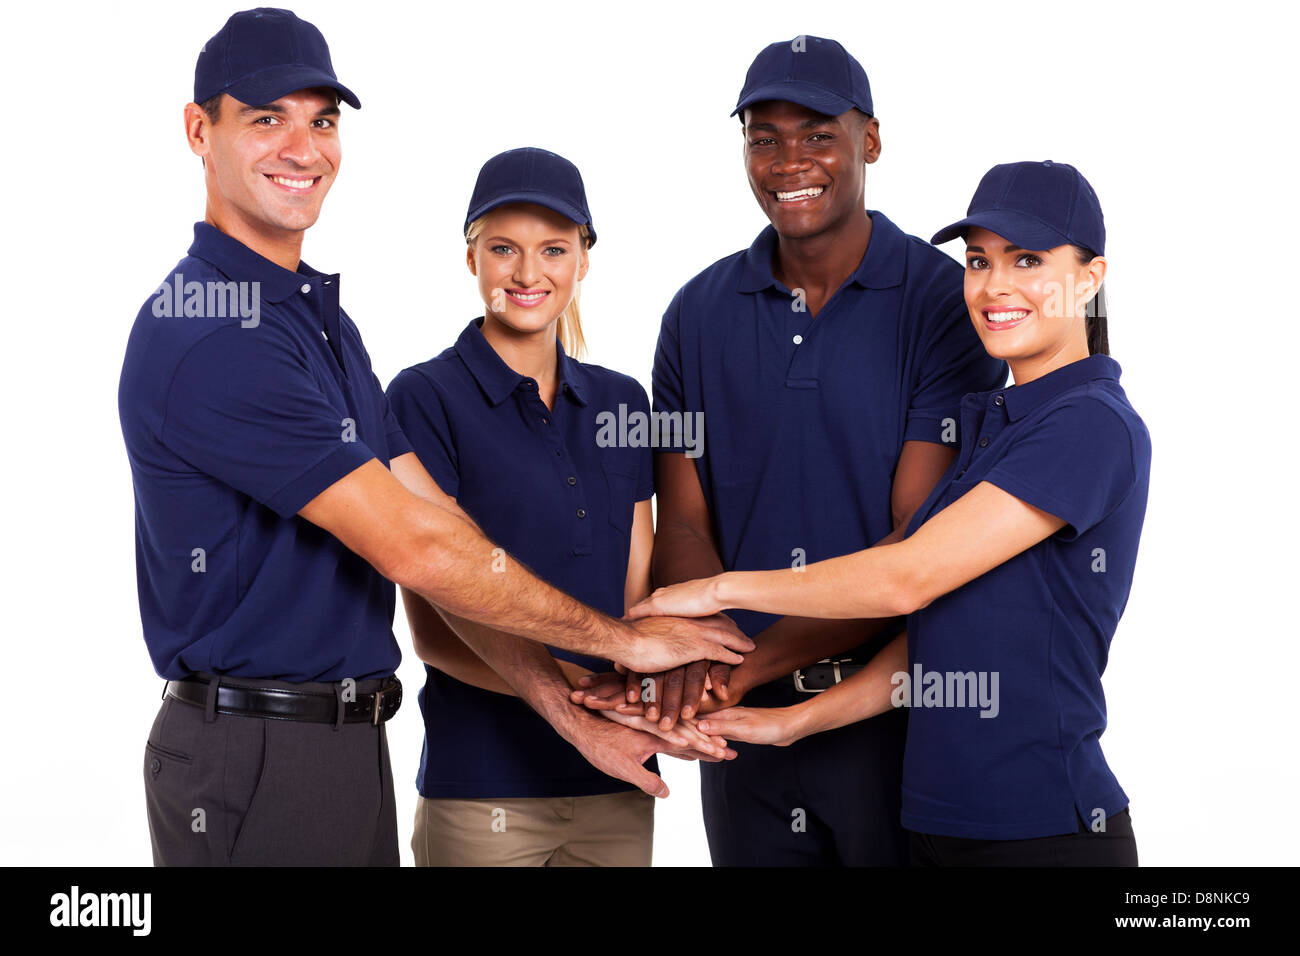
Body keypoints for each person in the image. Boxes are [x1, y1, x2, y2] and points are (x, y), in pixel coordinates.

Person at [118, 8, 751, 867]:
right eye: (267, 118)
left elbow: (448, 538)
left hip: (344, 740)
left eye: (323, 120)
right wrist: (625, 642)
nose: (303, 147)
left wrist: (573, 712)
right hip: (257, 745)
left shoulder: (318, 323)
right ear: (200, 129)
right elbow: (416, 549)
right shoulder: (214, 332)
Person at [629, 160, 1151, 867]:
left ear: (1090, 279)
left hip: (1042, 831)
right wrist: (790, 725)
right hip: (936, 824)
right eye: (978, 260)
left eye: (1028, 260)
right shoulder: (990, 424)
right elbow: (931, 639)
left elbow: (907, 578)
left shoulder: (1089, 423)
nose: (995, 285)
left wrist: (718, 590)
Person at [573, 35, 1006, 866]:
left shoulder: (942, 306)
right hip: (736, 736)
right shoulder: (695, 313)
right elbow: (685, 519)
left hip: (886, 718)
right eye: (762, 137)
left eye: (817, 134)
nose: (788, 160)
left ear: (869, 140)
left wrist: (728, 666)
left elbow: (914, 549)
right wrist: (707, 667)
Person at [386, 148, 733, 867]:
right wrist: (589, 700)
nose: (526, 273)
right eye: (502, 249)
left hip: (619, 781)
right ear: (472, 259)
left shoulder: (621, 402)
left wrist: (652, 706)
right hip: (483, 787)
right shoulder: (424, 399)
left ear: (584, 260)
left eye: (553, 249)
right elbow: (433, 625)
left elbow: (640, 597)